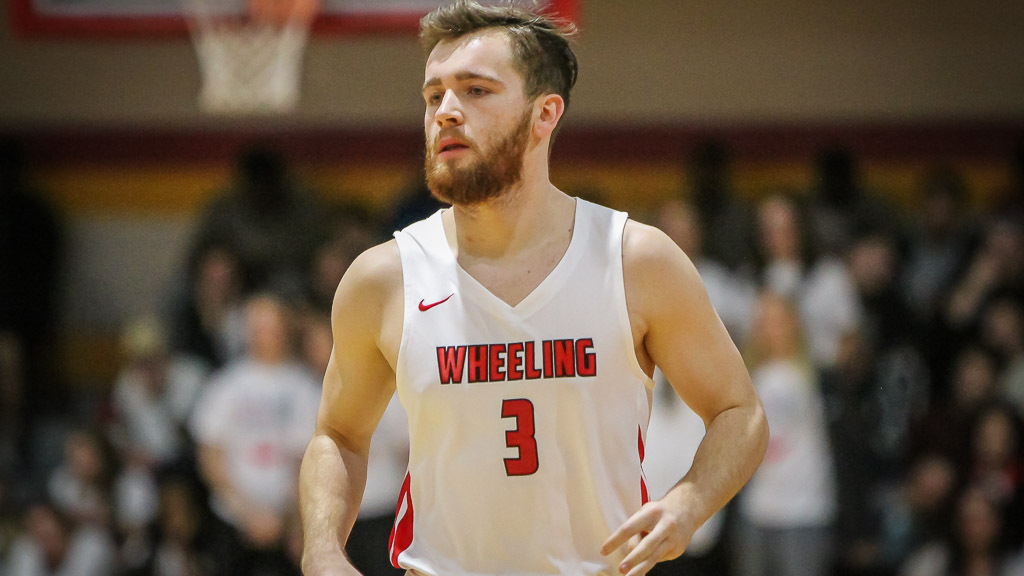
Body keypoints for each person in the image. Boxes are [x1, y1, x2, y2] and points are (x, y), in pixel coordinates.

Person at [298, 3, 768, 576]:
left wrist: (690, 502)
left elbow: (739, 412)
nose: (446, 112)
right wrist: (322, 548)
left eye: (475, 90)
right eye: (433, 96)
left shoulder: (635, 261)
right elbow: (339, 435)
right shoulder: (382, 278)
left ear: (545, 114)